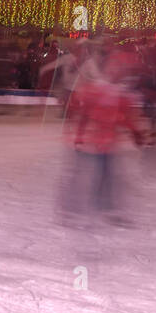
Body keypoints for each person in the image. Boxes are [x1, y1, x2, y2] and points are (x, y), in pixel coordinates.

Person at [61, 47, 146, 222]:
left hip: (105, 144)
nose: (118, 73)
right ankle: (72, 210)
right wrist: (78, 136)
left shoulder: (119, 94)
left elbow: (124, 118)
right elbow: (80, 112)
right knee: (83, 176)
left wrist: (135, 133)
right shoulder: (95, 90)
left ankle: (103, 209)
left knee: (106, 176)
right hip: (90, 144)